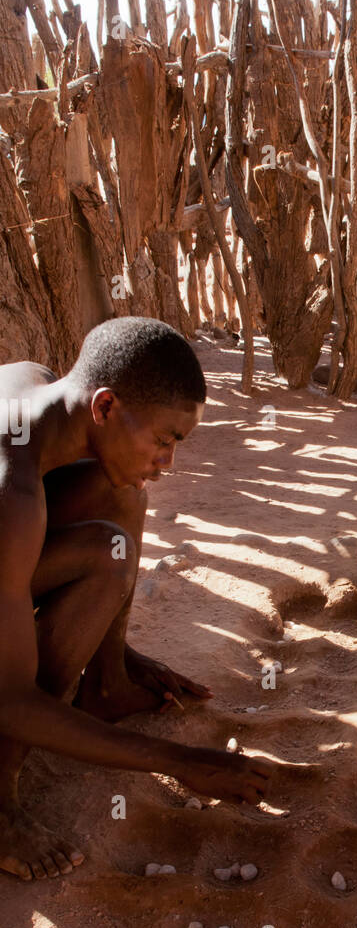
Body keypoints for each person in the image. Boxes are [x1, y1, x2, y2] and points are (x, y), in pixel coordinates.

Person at [0, 317, 273, 882]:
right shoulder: (11, 495)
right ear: (104, 407)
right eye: (165, 439)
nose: (169, 461)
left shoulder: (35, 386)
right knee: (104, 546)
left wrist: (120, 652)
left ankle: (105, 684)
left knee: (122, 498)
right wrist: (183, 764)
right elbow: (9, 700)